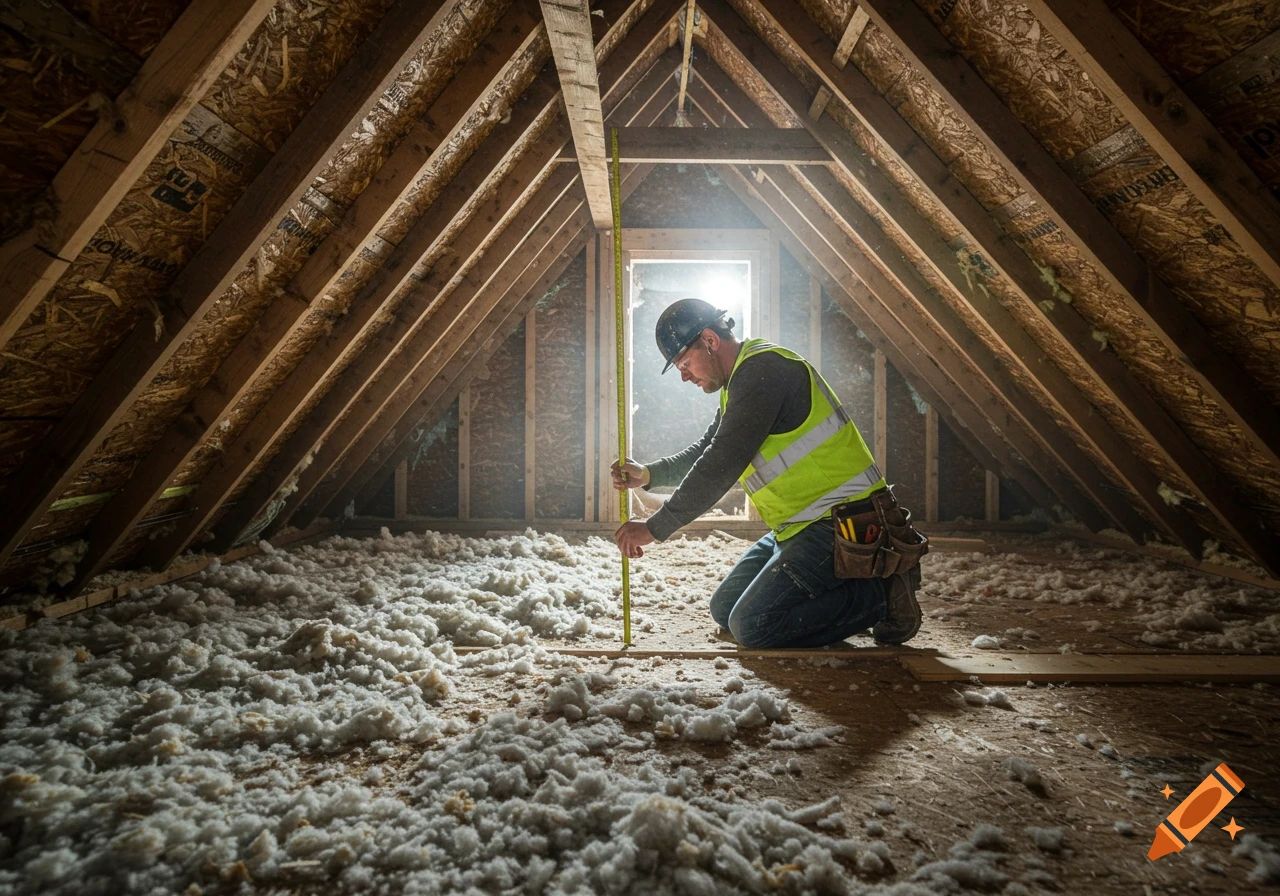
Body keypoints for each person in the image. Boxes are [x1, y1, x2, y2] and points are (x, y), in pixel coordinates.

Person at [612, 298, 922, 649]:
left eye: (684, 363)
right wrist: (649, 473)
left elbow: (720, 465)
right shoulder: (740, 382)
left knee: (753, 625)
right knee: (724, 608)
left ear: (710, 341)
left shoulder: (765, 372)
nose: (684, 376)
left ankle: (882, 594)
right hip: (797, 527)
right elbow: (709, 448)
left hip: (841, 522)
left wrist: (655, 528)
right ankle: (843, 592)